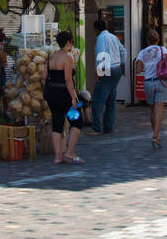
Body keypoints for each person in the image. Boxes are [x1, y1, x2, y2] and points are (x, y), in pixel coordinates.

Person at [44, 31, 84, 164]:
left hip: (51, 93)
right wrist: (73, 98)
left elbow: (44, 77)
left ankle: (58, 156)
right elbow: (68, 79)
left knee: (57, 122)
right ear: (68, 42)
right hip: (63, 94)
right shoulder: (67, 58)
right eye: (71, 42)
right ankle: (70, 152)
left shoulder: (50, 57)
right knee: (77, 121)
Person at [135, 29, 167, 148]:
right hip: (161, 81)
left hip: (148, 82)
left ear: (147, 41)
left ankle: (156, 134)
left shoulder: (142, 52)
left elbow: (138, 69)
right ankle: (156, 136)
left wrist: (148, 65)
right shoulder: (163, 50)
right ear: (158, 40)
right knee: (159, 109)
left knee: (152, 110)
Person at [90, 18, 125, 134]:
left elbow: (101, 54)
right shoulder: (113, 37)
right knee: (110, 100)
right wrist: (122, 64)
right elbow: (123, 51)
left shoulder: (101, 38)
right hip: (117, 69)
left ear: (96, 29)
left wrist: (99, 73)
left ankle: (97, 127)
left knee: (97, 100)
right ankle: (108, 127)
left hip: (107, 70)